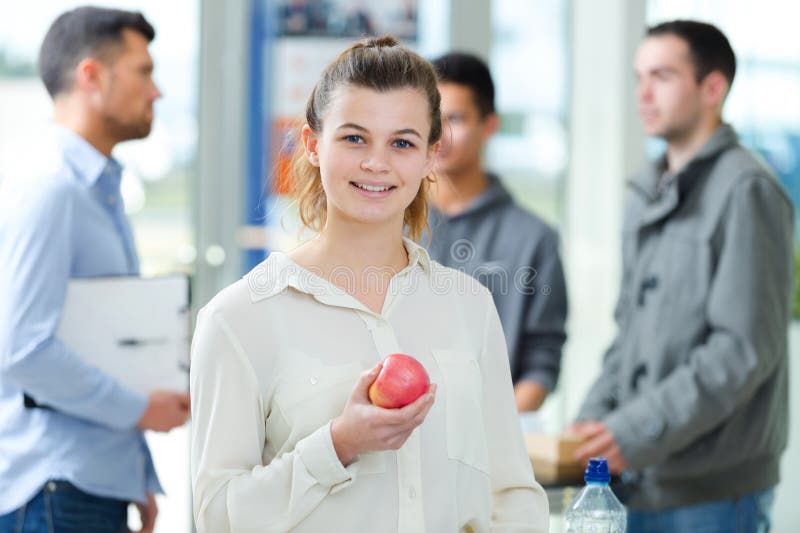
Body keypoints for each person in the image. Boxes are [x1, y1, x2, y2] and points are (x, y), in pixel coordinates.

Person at [190, 36, 549, 532]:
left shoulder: (469, 307)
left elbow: (512, 494)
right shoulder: (239, 318)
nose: (377, 163)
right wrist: (339, 444)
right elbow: (216, 519)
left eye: (402, 142)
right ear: (314, 146)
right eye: (354, 138)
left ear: (429, 157)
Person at [571, 20, 793, 532]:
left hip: (712, 490)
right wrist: (594, 418)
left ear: (712, 88)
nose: (643, 94)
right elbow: (631, 334)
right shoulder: (646, 192)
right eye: (638, 77)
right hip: (639, 478)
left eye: (663, 76)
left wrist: (630, 430)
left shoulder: (747, 191)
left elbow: (740, 351)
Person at [0, 7, 189, 533]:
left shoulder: (94, 190)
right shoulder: (51, 190)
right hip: (54, 492)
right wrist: (139, 409)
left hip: (84, 488)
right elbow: (21, 349)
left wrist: (135, 474)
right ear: (92, 75)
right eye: (144, 72)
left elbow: (96, 347)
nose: (157, 93)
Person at [426, 52, 567, 412]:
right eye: (433, 119)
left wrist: (500, 428)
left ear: (490, 125)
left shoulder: (535, 238)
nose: (442, 134)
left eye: (456, 118)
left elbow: (543, 357)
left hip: (493, 442)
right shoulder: (387, 225)